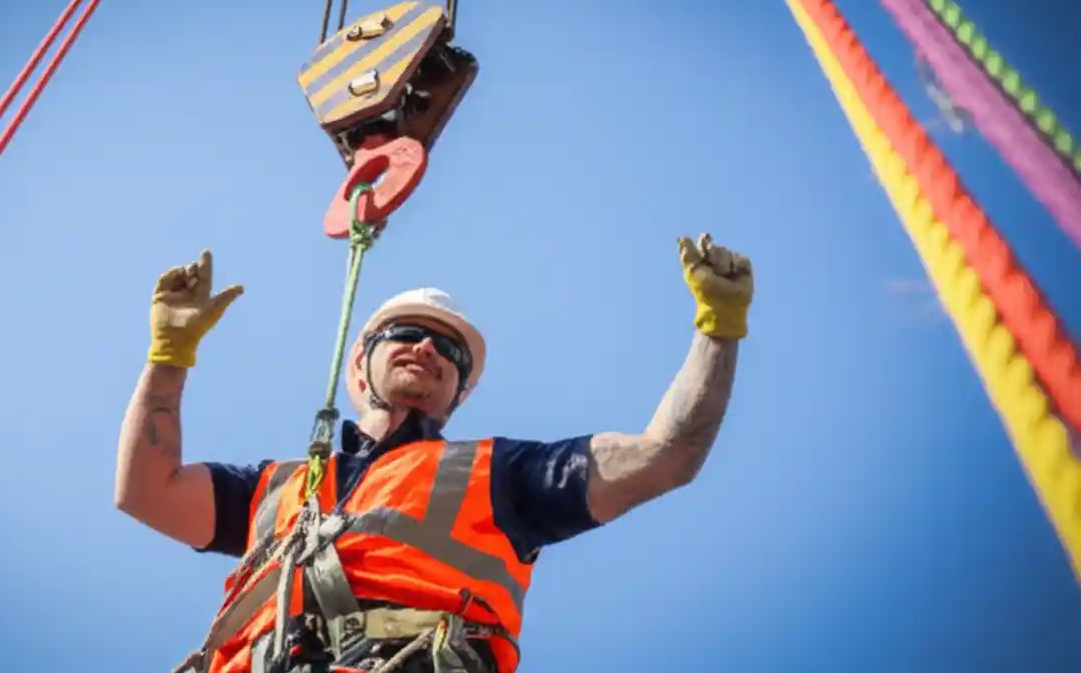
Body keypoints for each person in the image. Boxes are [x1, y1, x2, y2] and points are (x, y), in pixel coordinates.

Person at [115, 233, 753, 673]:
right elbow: (146, 492)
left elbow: (667, 454)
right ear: (358, 368)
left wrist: (718, 331)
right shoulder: (275, 488)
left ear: (458, 391)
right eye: (407, 334)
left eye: (449, 351)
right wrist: (168, 357)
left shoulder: (500, 476)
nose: (427, 349)